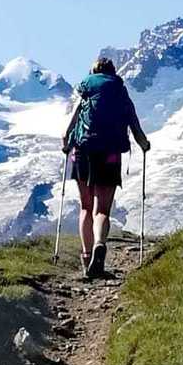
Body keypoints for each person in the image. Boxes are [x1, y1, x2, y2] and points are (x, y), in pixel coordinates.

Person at [62, 56, 150, 280]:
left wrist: (66, 145)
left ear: (93, 72)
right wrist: (144, 145)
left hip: (82, 152)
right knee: (102, 210)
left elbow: (67, 129)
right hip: (110, 154)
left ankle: (86, 257)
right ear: (113, 72)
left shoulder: (85, 90)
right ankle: (100, 245)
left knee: (85, 207)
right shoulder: (120, 92)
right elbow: (135, 127)